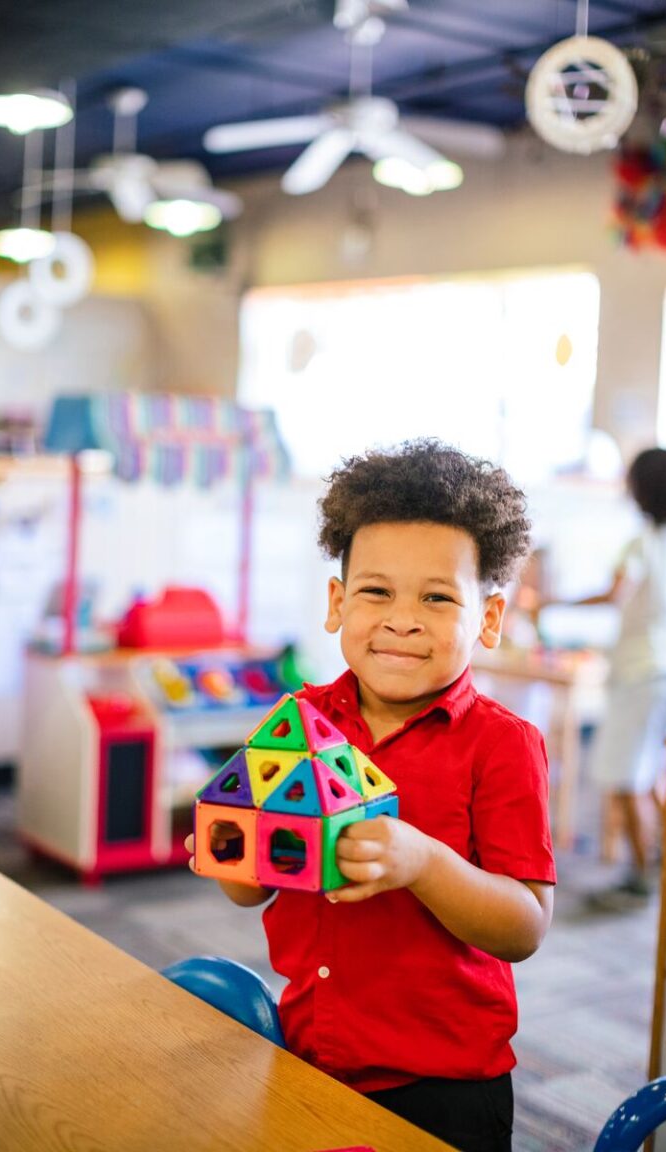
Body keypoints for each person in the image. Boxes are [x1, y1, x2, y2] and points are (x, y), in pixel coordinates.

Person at [186, 439, 556, 1152]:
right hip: (309, 1055)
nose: (402, 619)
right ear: (337, 602)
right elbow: (248, 892)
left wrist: (424, 863)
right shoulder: (298, 722)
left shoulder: (503, 745)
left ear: (488, 618)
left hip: (445, 1085)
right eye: (377, 591)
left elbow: (525, 926)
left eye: (438, 598)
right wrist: (229, 843)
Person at [558, 446, 666, 911]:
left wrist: (554, 603)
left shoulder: (647, 541)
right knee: (651, 773)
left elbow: (613, 593)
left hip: (641, 672)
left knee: (625, 776)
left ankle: (641, 879)